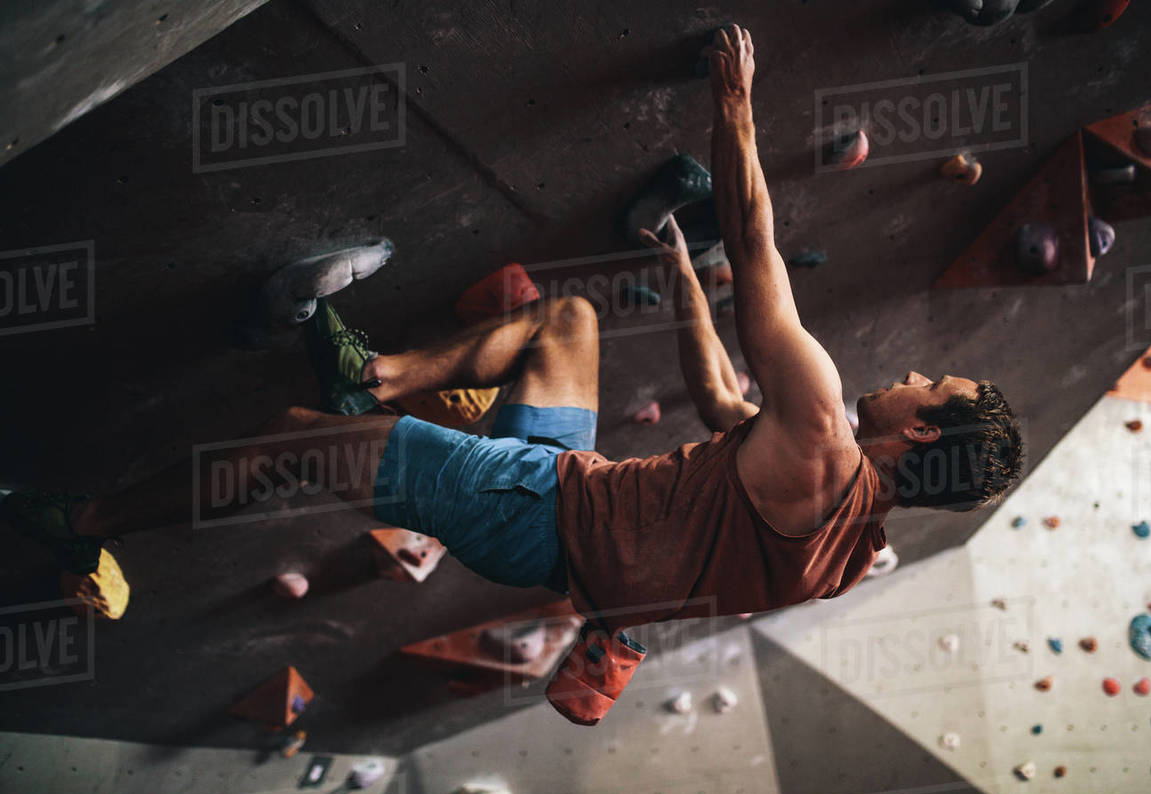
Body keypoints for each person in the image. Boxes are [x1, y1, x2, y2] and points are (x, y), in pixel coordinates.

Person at [2, 25, 1022, 723]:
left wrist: (736, 98)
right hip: (571, 515)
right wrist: (679, 277)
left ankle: (88, 518)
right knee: (568, 321)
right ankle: (383, 367)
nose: (923, 372)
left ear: (922, 433)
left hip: (536, 511)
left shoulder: (827, 436)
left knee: (288, 438)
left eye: (935, 388)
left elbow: (756, 237)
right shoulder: (844, 553)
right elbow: (721, 409)